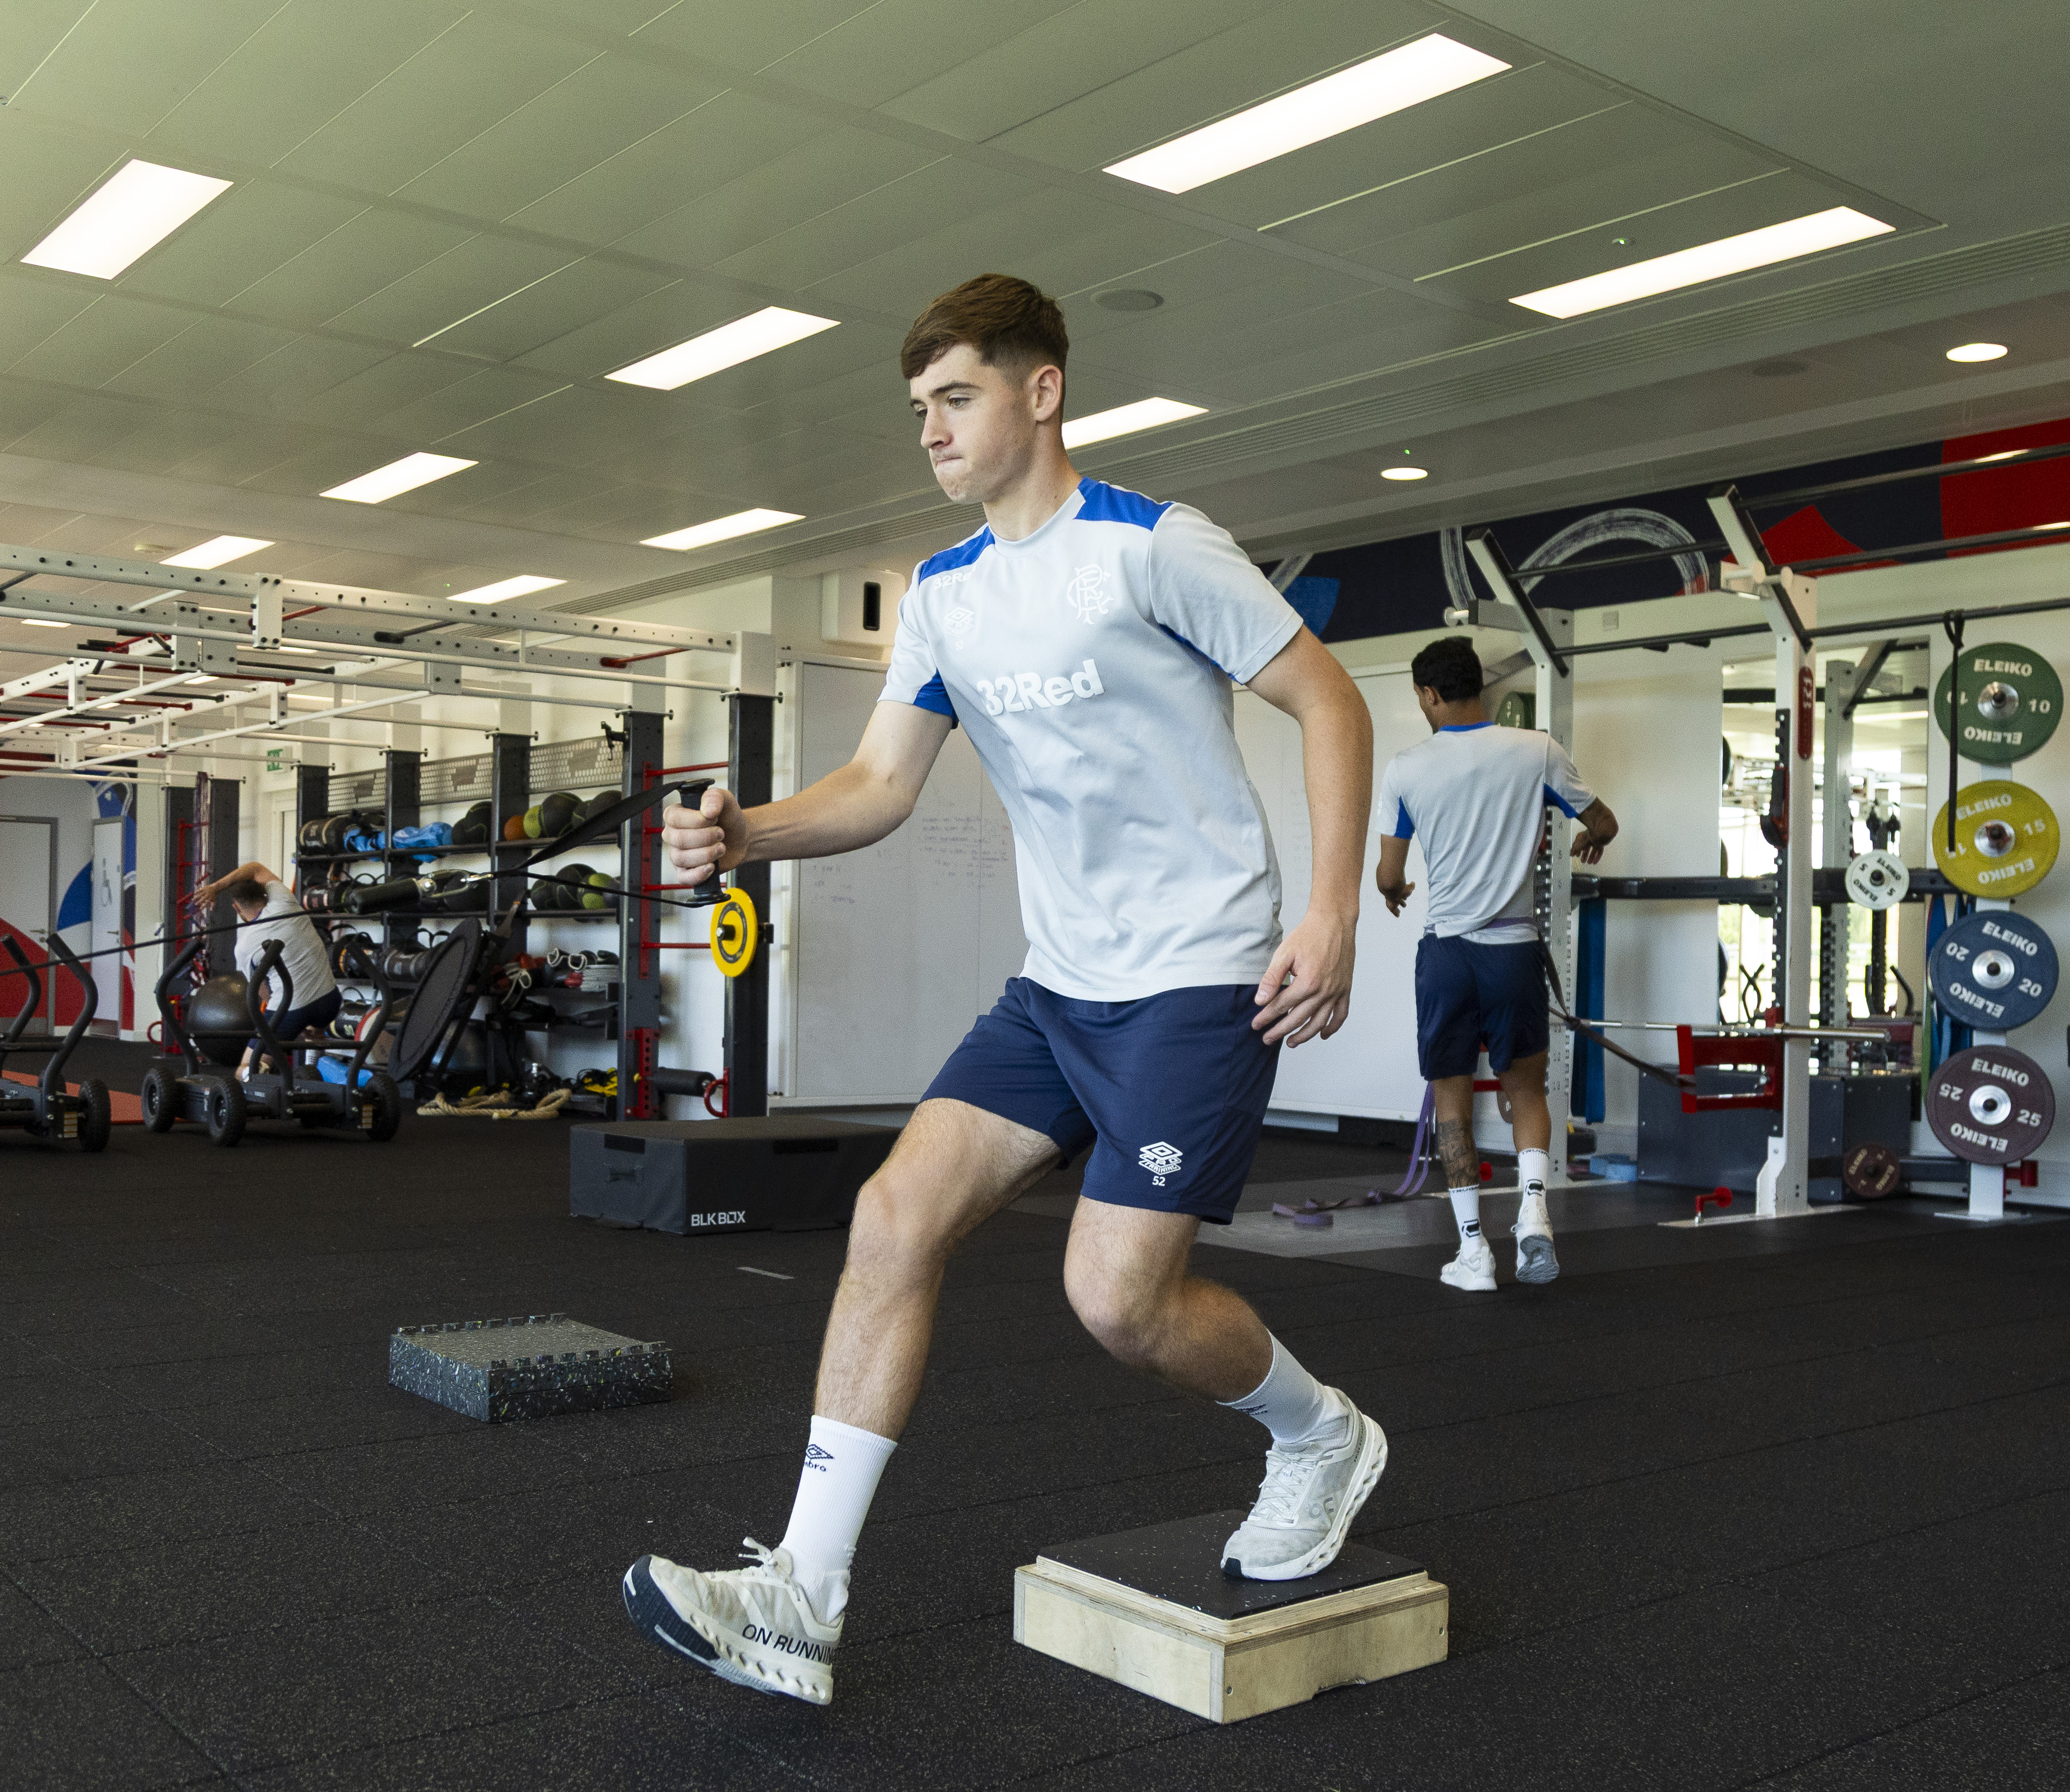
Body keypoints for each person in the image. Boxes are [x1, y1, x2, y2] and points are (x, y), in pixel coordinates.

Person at [623, 274, 1381, 1706]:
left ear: (1040, 392)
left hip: (1195, 977)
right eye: (919, 406)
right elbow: (877, 783)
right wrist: (746, 835)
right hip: (1057, 985)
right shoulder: (943, 594)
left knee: (1116, 1301)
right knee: (890, 1216)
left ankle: (1317, 1432)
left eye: (955, 397)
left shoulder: (1151, 547)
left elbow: (1325, 698)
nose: (930, 429)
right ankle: (799, 1597)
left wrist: (1330, 911)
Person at [1372, 636, 1617, 1293]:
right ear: (1476, 686)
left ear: (1428, 693)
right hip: (1512, 950)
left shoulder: (1406, 767)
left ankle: (1473, 1252)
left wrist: (1395, 890)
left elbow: (1388, 874)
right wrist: (1587, 839)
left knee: (1451, 1098)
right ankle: (1533, 1212)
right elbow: (1604, 821)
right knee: (1527, 1091)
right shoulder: (1537, 750)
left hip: (1447, 955)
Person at [194, 862, 339, 1070]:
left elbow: (264, 993)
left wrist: (290, 1020)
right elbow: (255, 869)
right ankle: (314, 1066)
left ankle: (258, 1073)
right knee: (310, 1023)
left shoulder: (244, 948)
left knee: (247, 1068)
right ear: (265, 896)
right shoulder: (284, 900)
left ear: (236, 908)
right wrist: (215, 888)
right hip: (330, 1001)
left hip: (292, 1009)